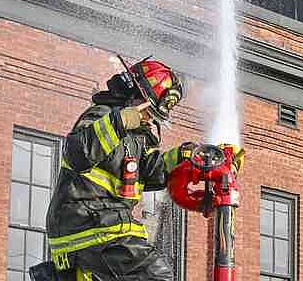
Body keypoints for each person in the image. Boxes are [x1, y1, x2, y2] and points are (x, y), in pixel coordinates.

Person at [30, 58, 195, 281]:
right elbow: (78, 153)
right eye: (149, 112)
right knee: (154, 275)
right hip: (85, 220)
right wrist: (120, 122)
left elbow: (153, 173)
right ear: (136, 98)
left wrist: (188, 158)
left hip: (105, 224)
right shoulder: (101, 115)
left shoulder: (137, 138)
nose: (148, 120)